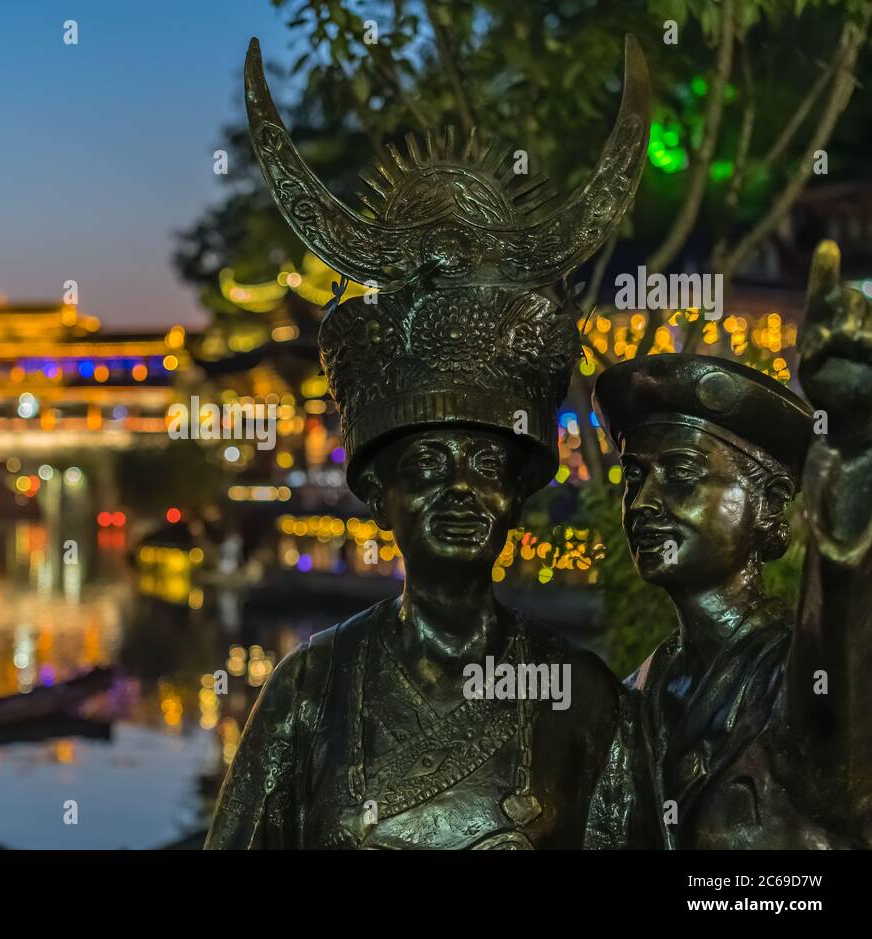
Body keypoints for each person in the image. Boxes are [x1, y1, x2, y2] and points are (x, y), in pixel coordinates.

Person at [204, 35, 650, 849]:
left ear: (519, 486)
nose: (459, 490)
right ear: (380, 495)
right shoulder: (309, 689)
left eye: (485, 462)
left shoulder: (587, 701)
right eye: (426, 464)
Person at [590, 241, 872, 847]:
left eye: (683, 476)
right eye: (633, 477)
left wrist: (852, 444)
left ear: (768, 506)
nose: (643, 503)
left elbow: (844, 598)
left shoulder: (801, 684)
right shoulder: (634, 700)